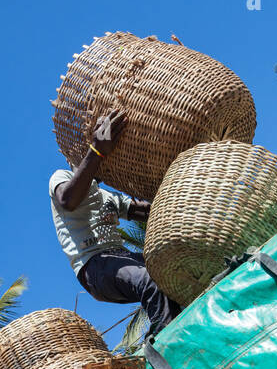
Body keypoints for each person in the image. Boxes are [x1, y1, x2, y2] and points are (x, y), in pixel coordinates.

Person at [50, 108, 181, 337]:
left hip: (121, 257)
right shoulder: (62, 177)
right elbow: (67, 200)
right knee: (152, 280)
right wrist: (97, 151)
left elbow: (146, 211)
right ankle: (171, 346)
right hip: (94, 265)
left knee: (173, 275)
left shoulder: (107, 196)